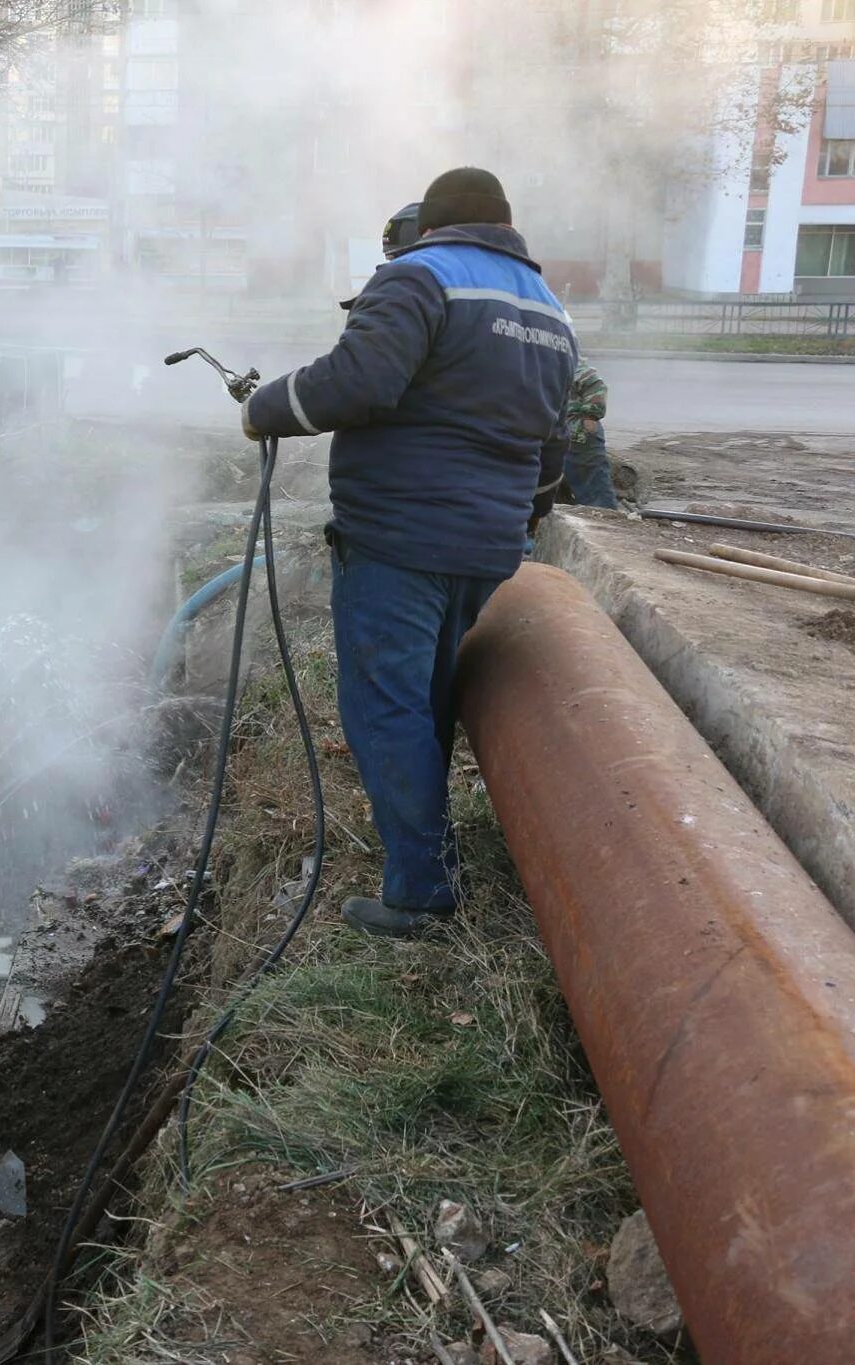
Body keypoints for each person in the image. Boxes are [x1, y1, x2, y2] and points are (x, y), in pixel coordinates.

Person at [240, 167, 574, 939]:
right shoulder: (549, 310)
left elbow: (357, 382)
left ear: (434, 225)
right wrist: (510, 521)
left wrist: (264, 409)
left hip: (400, 538)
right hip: (487, 546)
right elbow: (552, 452)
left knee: (385, 707)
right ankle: (431, 857)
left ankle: (422, 891)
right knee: (424, 701)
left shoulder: (420, 276)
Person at [560, 361, 616, 509]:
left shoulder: (563, 359)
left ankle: (602, 520)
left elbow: (593, 383)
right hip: (559, 432)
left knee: (593, 484)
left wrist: (590, 416)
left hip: (577, 431)